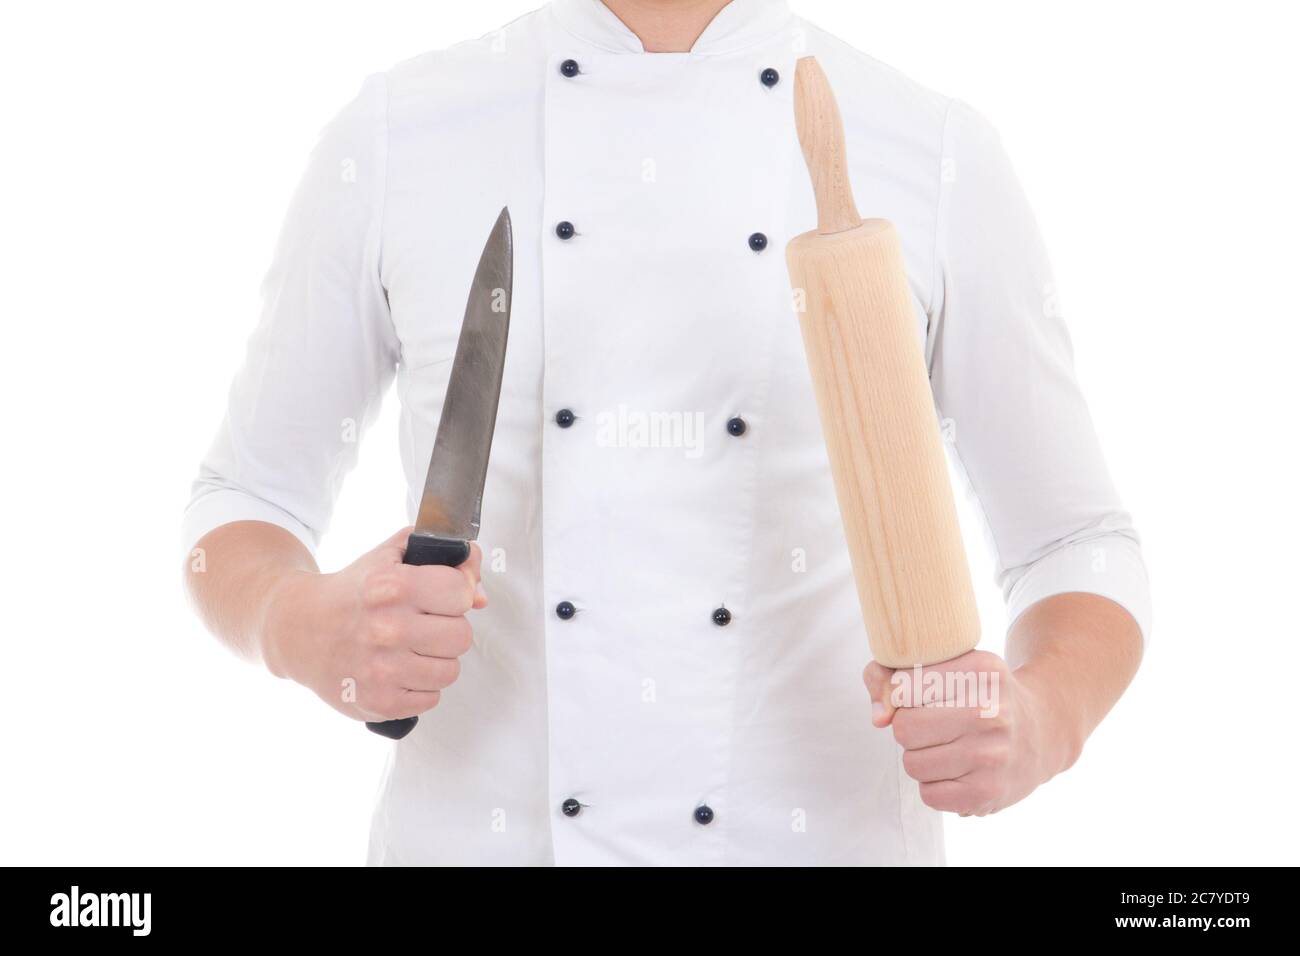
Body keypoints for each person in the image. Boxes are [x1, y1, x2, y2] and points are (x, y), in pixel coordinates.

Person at [183, 0, 1148, 865]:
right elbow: (244, 500)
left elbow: (1076, 544)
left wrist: (1042, 716)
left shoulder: (931, 148)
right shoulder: (398, 133)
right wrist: (297, 625)